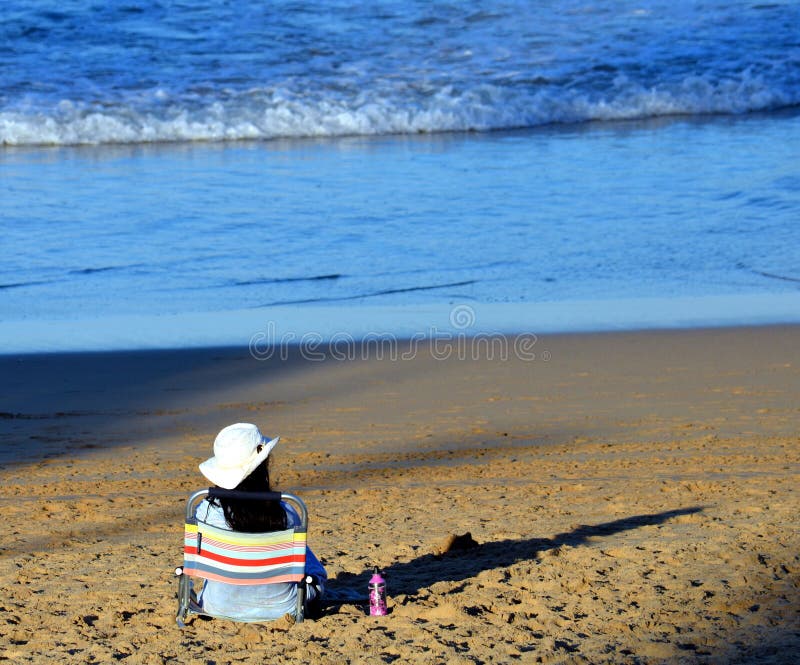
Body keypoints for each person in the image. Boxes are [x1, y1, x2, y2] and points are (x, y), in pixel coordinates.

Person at [194, 423, 327, 621]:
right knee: (306, 558)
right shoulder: (286, 512)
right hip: (286, 607)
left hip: (218, 606)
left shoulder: (205, 511)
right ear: (262, 466)